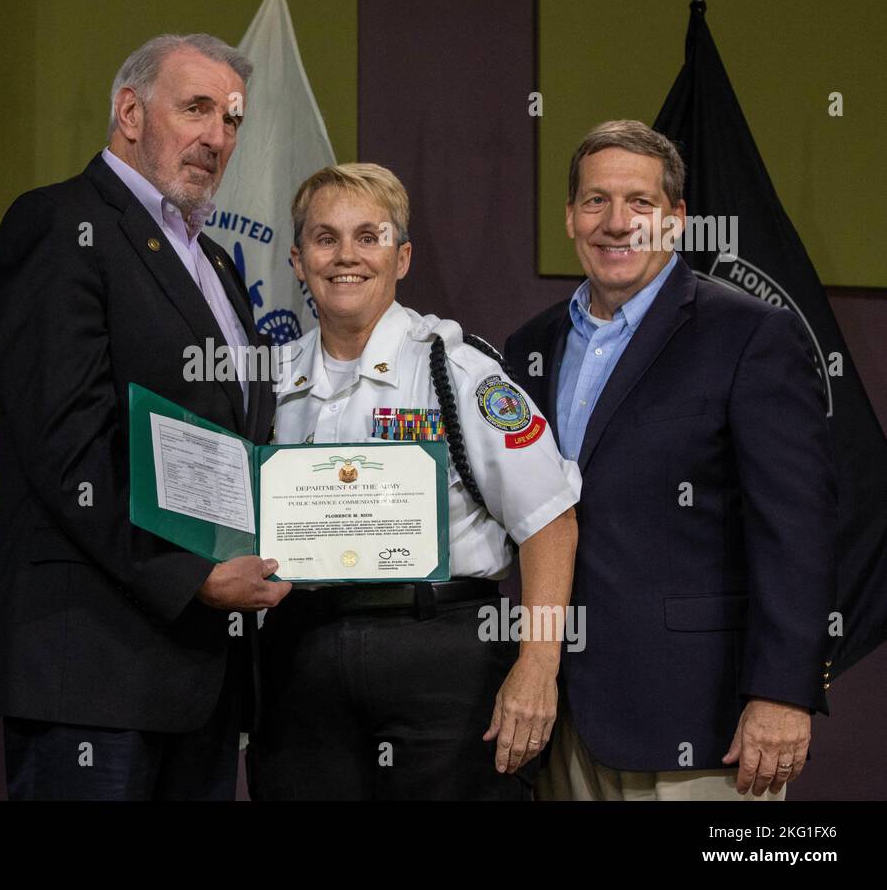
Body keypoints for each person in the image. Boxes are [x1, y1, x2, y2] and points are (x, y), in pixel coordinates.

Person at [0, 33, 289, 800]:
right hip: (92, 665)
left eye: (232, 119)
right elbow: (67, 448)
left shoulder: (214, 261)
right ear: (128, 111)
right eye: (195, 109)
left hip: (201, 672)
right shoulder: (61, 224)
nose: (217, 136)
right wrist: (192, 577)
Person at [505, 120, 836, 800]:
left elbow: (797, 529)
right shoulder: (528, 347)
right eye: (596, 201)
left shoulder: (750, 335)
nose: (617, 222)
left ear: (678, 220)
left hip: (700, 723)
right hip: (560, 721)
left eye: (640, 203)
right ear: (570, 216)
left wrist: (782, 693)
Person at [246, 163, 580, 800]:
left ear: (401, 258)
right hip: (299, 659)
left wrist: (538, 665)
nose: (346, 256)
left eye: (368, 237)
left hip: (443, 658)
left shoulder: (460, 372)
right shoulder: (267, 382)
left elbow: (550, 518)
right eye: (325, 238)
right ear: (296, 259)